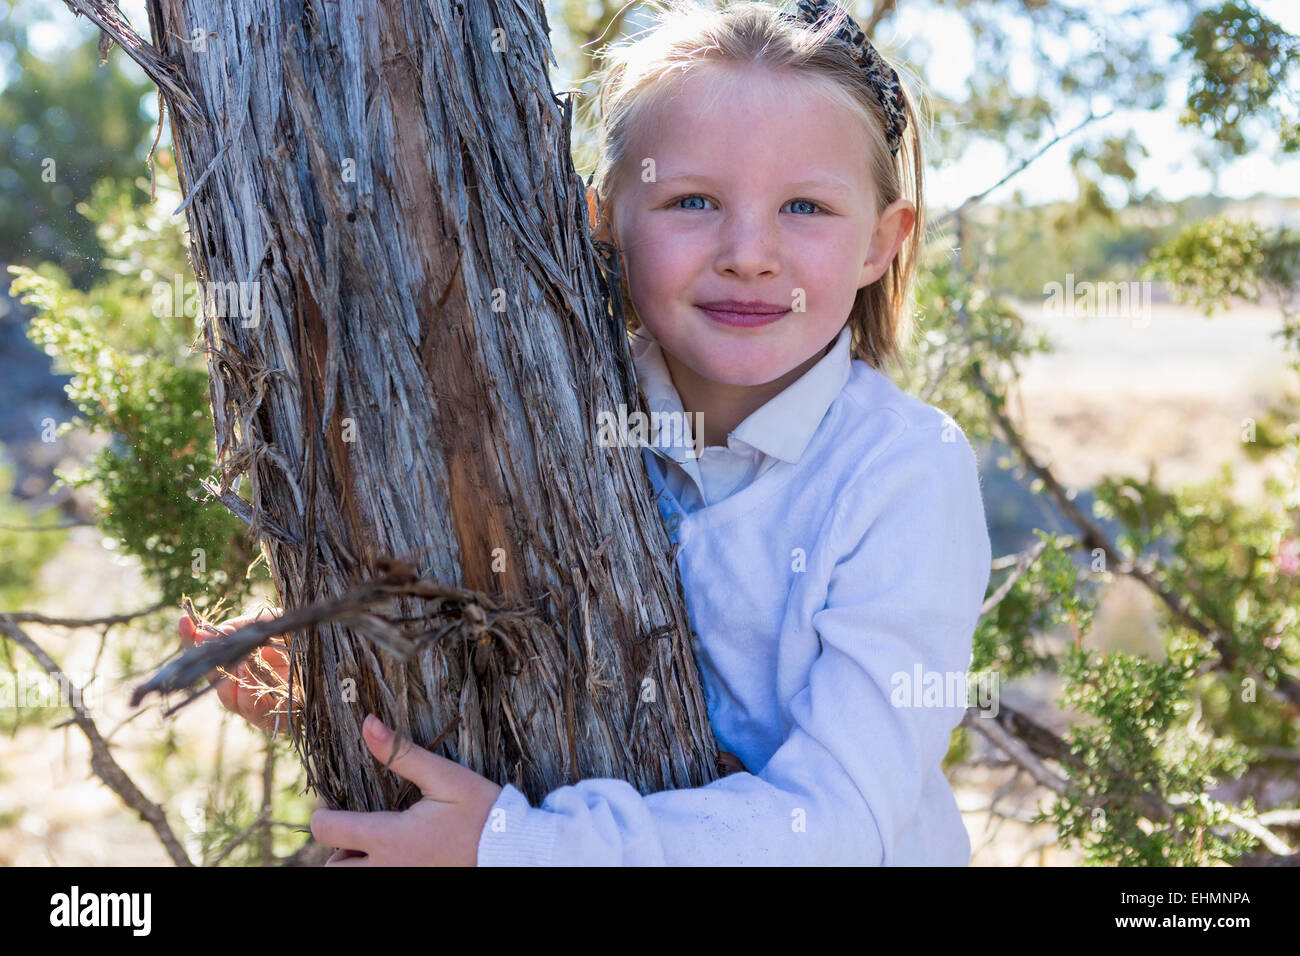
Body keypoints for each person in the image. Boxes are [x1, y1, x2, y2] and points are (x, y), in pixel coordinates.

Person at [180, 0, 993, 865]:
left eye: (805, 207)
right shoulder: (553, 414)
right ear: (604, 222)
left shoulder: (901, 472)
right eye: (692, 200)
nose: (749, 252)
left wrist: (515, 848)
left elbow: (838, 825)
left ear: (881, 241)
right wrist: (349, 690)